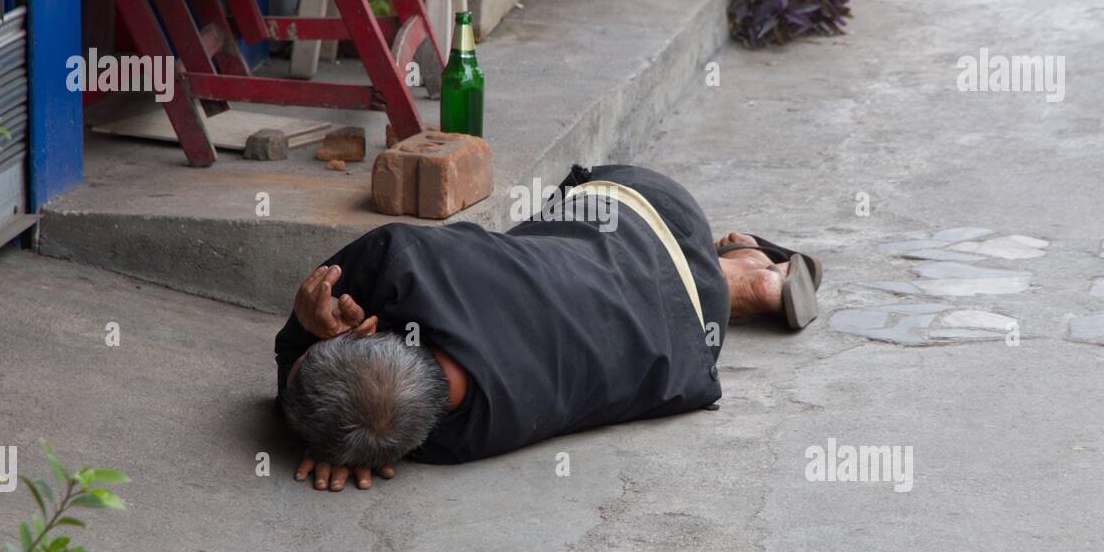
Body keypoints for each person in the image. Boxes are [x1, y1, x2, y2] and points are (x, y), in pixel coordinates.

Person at [274, 164, 821, 491]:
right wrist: (307, 323)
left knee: (608, 297)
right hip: (648, 208)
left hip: (694, 338)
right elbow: (310, 352)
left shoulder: (462, 439)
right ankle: (742, 267)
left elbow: (378, 417)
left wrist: (345, 439)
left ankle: (736, 282)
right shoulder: (402, 260)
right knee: (560, 252)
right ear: (364, 333)